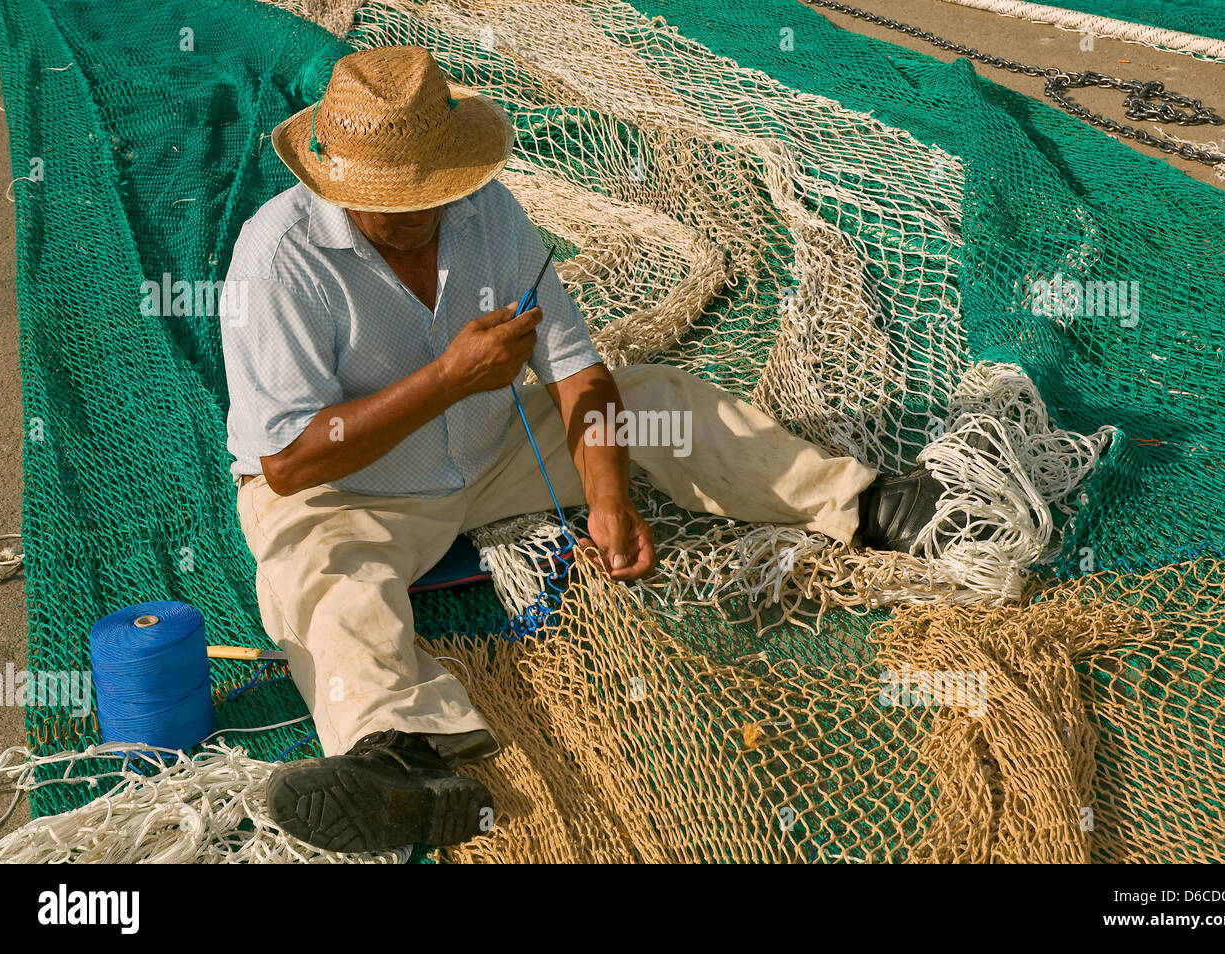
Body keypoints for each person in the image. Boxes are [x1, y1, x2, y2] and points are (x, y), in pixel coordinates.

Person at [222, 45, 955, 852]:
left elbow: (576, 370)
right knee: (322, 579)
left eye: (425, 193)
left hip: (489, 447)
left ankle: (868, 503)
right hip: (349, 493)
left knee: (654, 400)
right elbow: (288, 461)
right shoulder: (277, 257)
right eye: (390, 200)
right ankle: (392, 760)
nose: (413, 213)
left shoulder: (486, 210)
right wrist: (448, 379)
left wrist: (607, 495)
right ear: (336, 181)